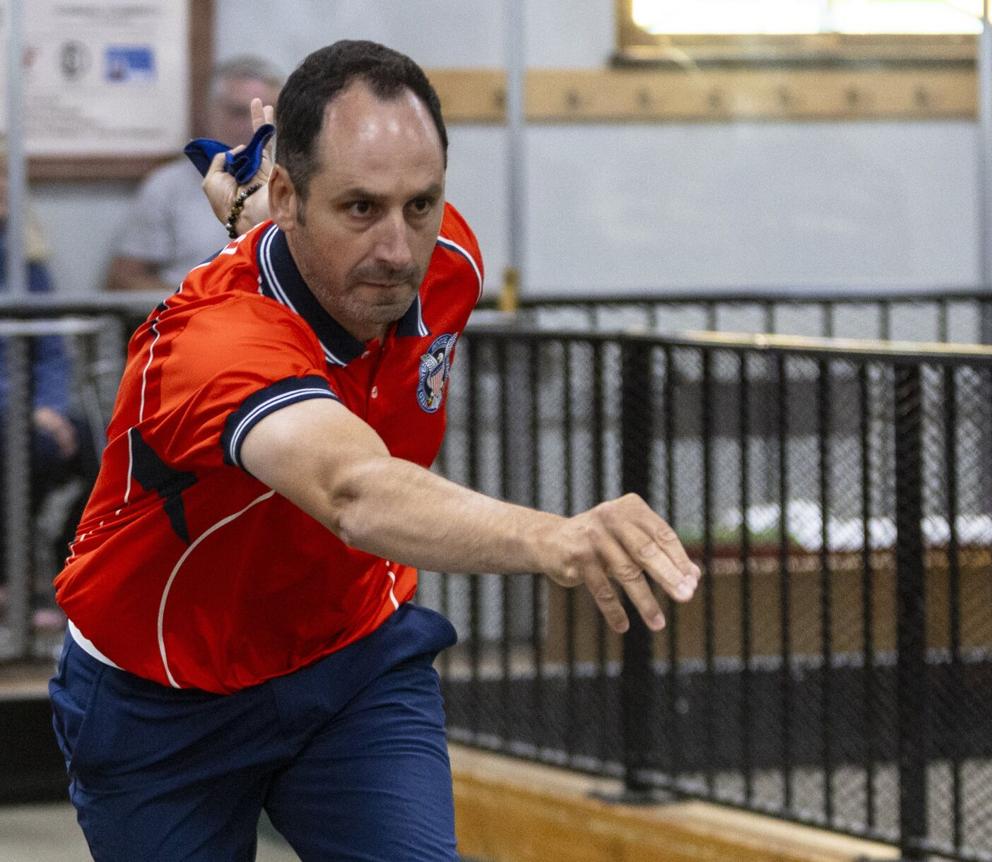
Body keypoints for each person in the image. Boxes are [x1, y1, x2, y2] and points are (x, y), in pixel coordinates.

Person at [49, 40, 700, 861]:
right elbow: (352, 489)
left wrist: (263, 208)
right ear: (292, 196)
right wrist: (552, 537)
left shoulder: (443, 257)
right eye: (359, 208)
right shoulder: (209, 344)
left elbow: (353, 238)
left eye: (420, 204)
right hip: (164, 689)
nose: (399, 249)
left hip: (351, 655)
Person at [0, 150, 96, 622]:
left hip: (33, 409)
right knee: (20, 445)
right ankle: (11, 576)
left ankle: (65, 568)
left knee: (107, 447)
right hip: (11, 411)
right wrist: (22, 409)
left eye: (3, 175)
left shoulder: (24, 259)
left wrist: (50, 406)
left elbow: (52, 351)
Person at [104, 55, 282, 294]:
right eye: (239, 113)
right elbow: (123, 280)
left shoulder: (292, 184)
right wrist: (195, 300)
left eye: (265, 118)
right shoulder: (167, 186)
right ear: (208, 113)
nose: (252, 128)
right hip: (192, 316)